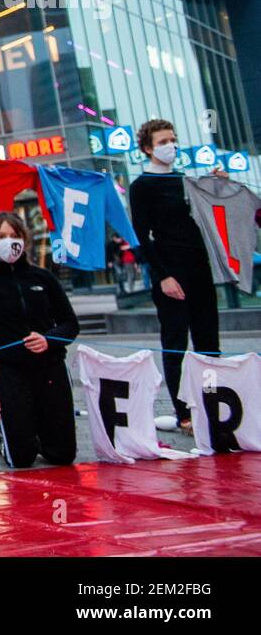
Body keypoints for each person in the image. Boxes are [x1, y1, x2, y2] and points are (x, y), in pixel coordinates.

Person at [129, 119, 222, 433]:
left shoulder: (186, 181)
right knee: (176, 345)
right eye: (163, 141)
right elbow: (142, 235)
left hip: (200, 271)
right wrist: (163, 276)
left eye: (173, 138)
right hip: (171, 275)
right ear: (147, 148)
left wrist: (217, 184)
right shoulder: (142, 186)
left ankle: (215, 405)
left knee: (209, 344)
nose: (171, 145)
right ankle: (184, 413)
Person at [0, 212, 79, 469]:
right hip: (10, 373)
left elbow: (70, 324)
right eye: (1, 237)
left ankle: (41, 432)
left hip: (50, 369)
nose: (9, 242)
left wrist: (49, 339)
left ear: (24, 239)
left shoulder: (44, 278)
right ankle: (2, 438)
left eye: (14, 236)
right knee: (20, 458)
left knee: (62, 455)